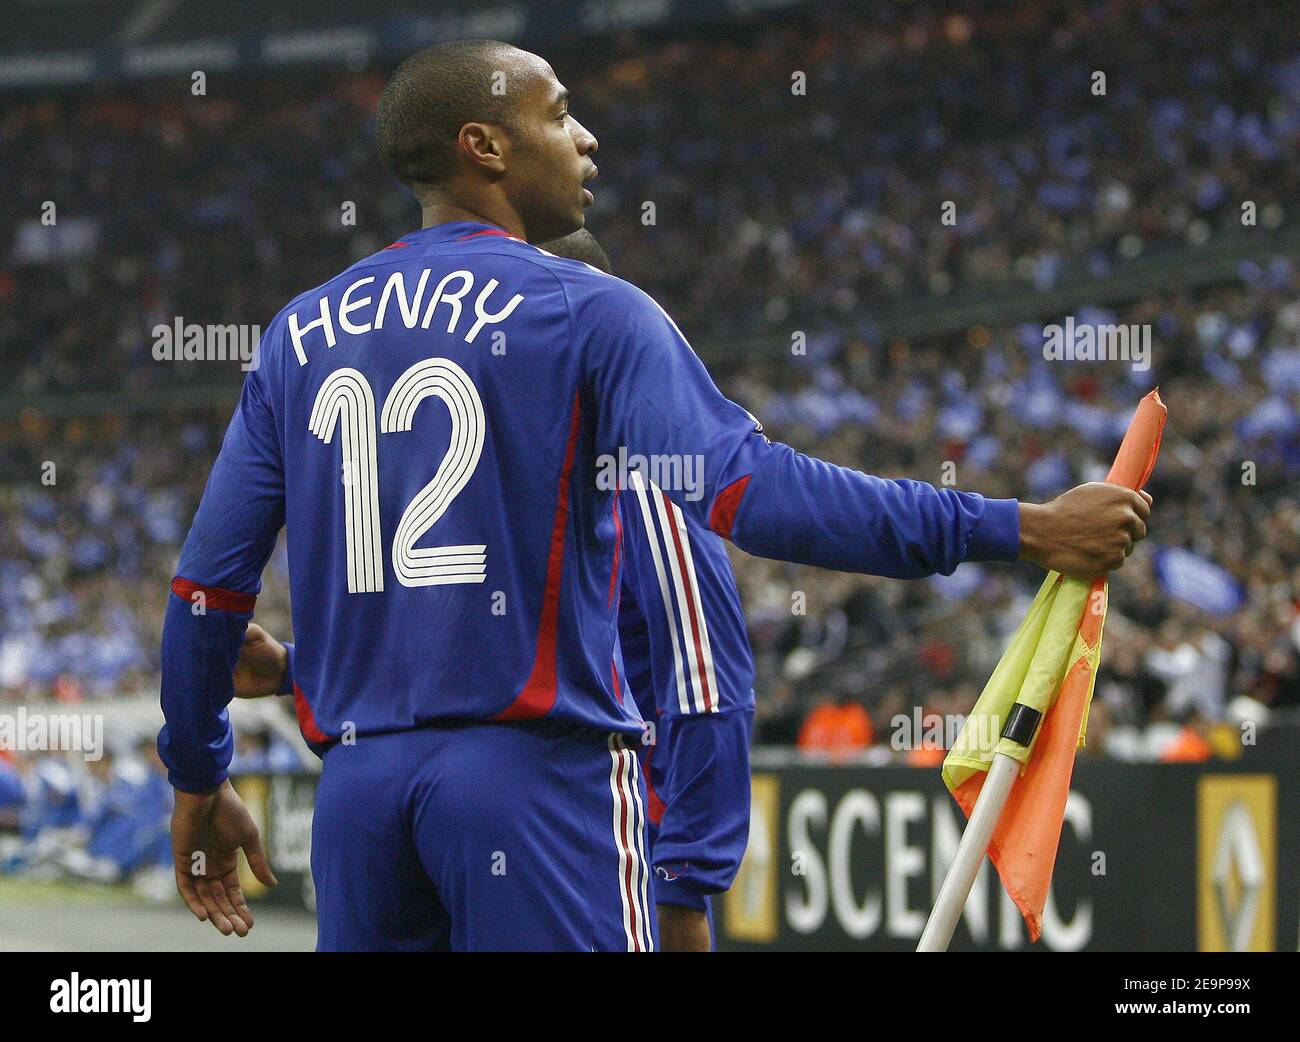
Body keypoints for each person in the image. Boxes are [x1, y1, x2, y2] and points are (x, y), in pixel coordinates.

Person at [159, 38, 1151, 951]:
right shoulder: (588, 309)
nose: (587, 137)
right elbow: (753, 493)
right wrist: (1018, 527)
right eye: (559, 114)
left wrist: (199, 775)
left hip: (359, 805)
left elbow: (206, 591)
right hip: (536, 787)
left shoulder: (298, 335)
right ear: (484, 146)